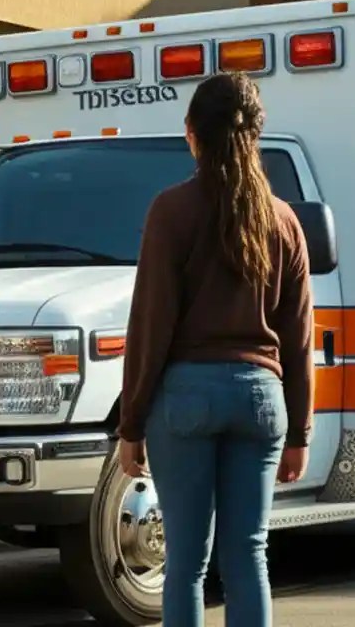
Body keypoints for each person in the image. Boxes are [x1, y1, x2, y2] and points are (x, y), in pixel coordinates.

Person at [117, 71, 316, 627]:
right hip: (261, 401)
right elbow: (298, 338)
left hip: (185, 400)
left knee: (185, 563)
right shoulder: (284, 222)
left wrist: (131, 424)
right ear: (254, 136)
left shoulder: (170, 211)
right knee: (249, 555)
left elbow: (150, 324)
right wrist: (301, 430)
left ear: (191, 134)